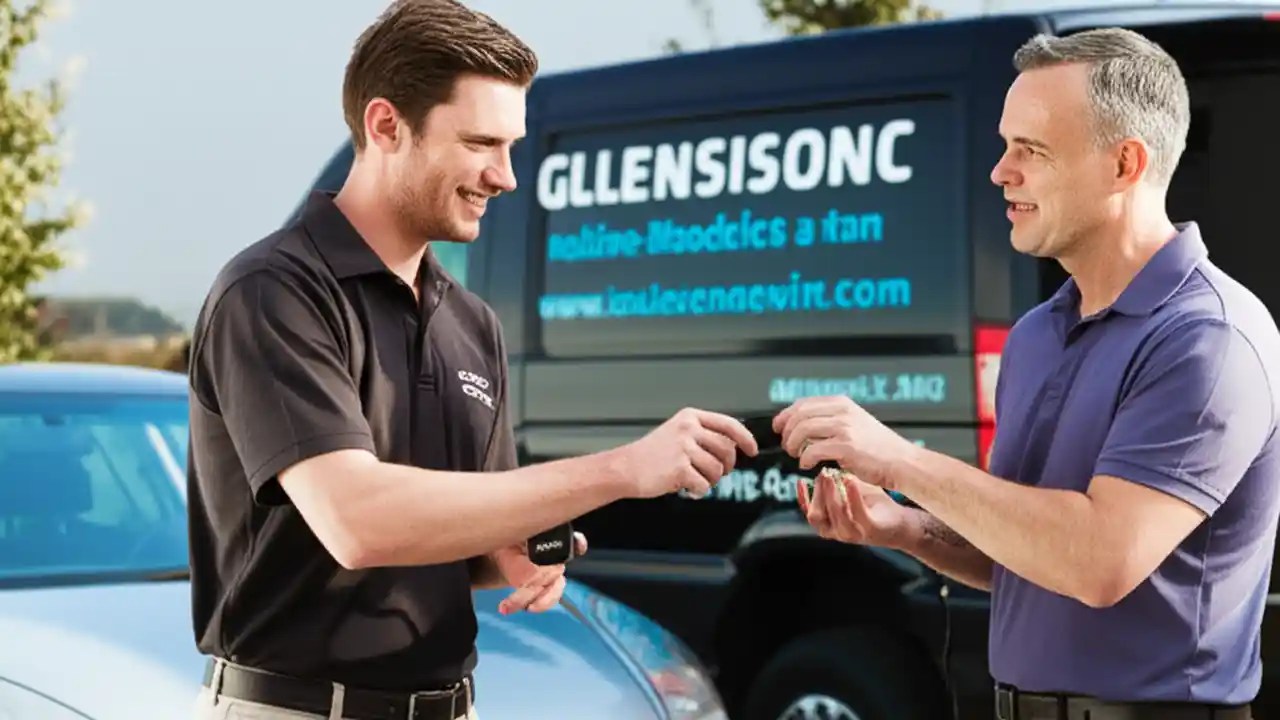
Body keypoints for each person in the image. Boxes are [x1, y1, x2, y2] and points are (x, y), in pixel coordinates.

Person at [184, 2, 757, 719]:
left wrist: (514, 554)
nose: (506, 176)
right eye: (482, 142)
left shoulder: (471, 324)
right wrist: (621, 471)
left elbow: (471, 538)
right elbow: (358, 522)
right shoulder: (273, 291)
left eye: (511, 146)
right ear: (385, 125)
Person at [778, 27, 1279, 720]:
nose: (1001, 172)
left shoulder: (1207, 338)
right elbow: (1026, 553)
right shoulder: (1036, 334)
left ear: (1124, 164)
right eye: (1005, 145)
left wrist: (899, 460)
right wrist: (904, 529)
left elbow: (1098, 561)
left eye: (1031, 151)